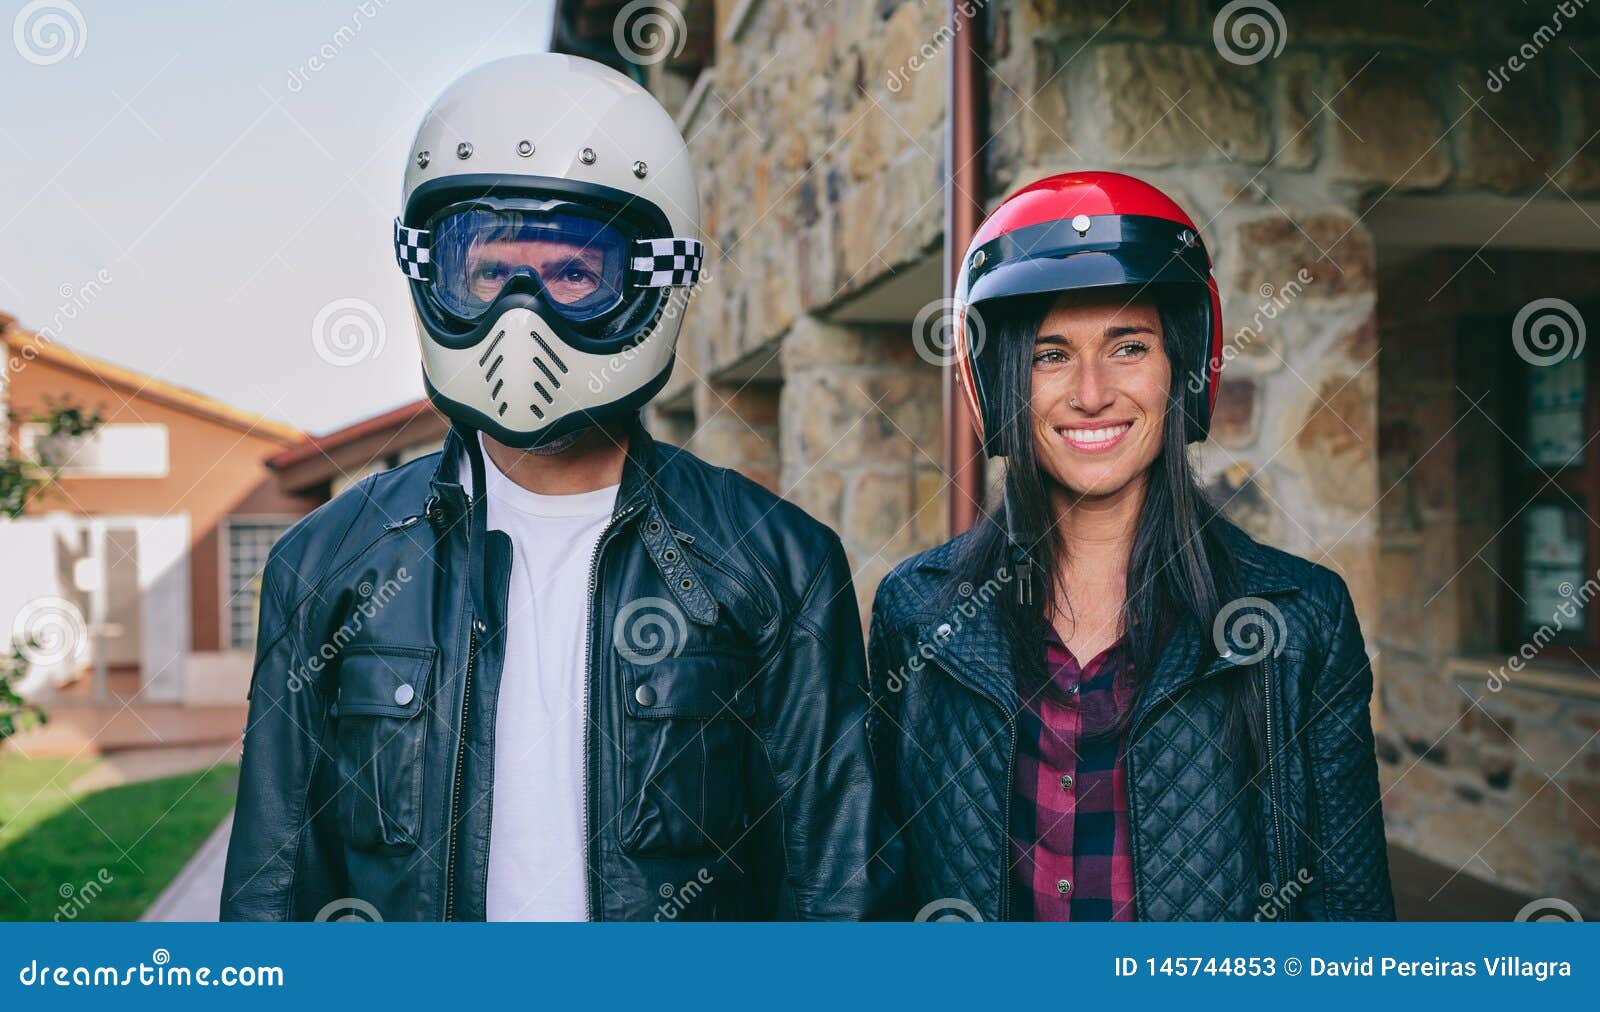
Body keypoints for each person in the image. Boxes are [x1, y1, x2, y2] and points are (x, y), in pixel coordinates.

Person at [222, 53, 890, 921]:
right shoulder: (326, 565)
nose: (522, 316)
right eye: (491, 273)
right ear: (433, 274)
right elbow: (272, 889)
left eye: (575, 274)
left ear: (653, 277)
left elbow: (838, 885)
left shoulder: (777, 563)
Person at [867, 172, 1394, 922]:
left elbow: (1352, 917)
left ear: (1183, 367)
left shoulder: (1301, 620)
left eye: (1128, 346)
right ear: (1002, 382)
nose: (1090, 392)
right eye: (1051, 354)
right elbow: (881, 894)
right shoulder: (917, 613)